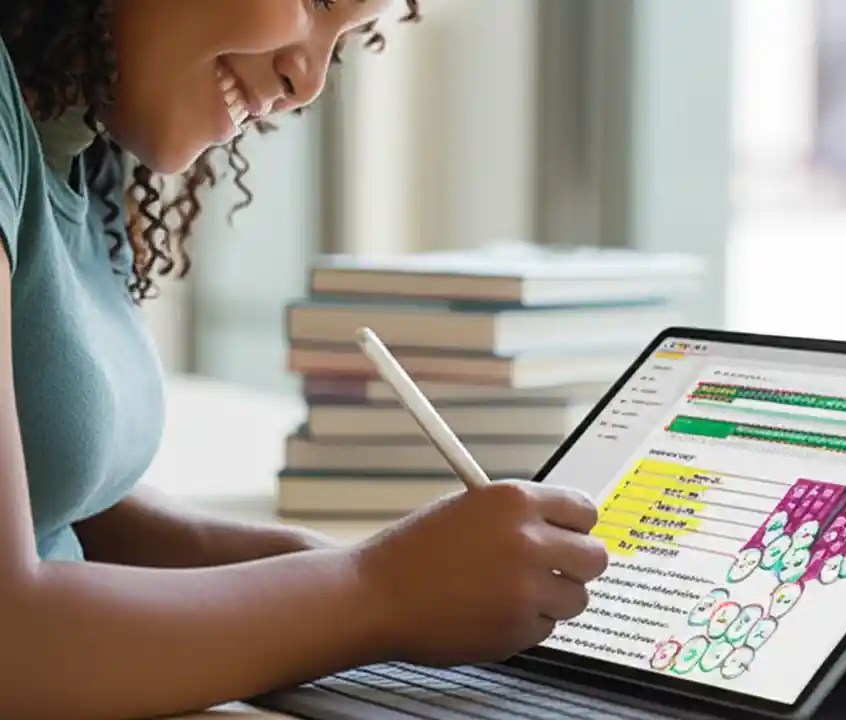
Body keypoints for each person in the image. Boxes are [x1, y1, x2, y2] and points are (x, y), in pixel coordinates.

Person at [0, 2, 609, 717]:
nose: (308, 77)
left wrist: (308, 562)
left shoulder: (77, 137)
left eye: (344, 37)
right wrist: (376, 590)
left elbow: (65, 499)